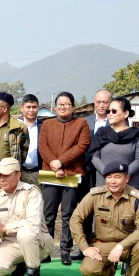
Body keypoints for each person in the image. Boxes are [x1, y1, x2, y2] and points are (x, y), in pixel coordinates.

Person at [70, 161, 139, 276]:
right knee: (87, 270)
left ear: (126, 179)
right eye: (109, 177)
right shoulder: (96, 195)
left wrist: (121, 246)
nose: (112, 181)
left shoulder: (138, 199)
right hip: (103, 244)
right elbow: (75, 219)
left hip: (129, 245)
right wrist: (84, 247)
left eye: (117, 177)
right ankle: (107, 274)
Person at [0, 158, 54, 276]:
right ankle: (20, 267)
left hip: (38, 241)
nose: (1, 179)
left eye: (6, 175)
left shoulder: (31, 192)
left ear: (18, 175)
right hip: (11, 243)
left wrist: (4, 227)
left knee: (25, 233)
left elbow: (32, 223)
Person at [38, 91, 91, 265]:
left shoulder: (81, 123)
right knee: (48, 214)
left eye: (66, 104)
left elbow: (82, 146)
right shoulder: (47, 124)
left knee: (69, 213)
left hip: (72, 173)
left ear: (73, 107)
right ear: (55, 106)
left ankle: (65, 250)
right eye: (59, 104)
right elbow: (42, 146)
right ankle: (45, 250)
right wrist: (54, 164)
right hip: (50, 172)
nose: (62, 107)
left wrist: (61, 162)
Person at [89, 97, 139, 191]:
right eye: (108, 111)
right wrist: (107, 174)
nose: (109, 114)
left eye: (114, 111)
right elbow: (94, 156)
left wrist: (122, 176)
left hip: (128, 185)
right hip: (103, 184)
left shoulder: (137, 135)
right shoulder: (102, 133)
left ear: (126, 113)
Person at [20, 94, 44, 185]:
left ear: (38, 108)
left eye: (34, 107)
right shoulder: (16, 126)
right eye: (28, 107)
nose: (31, 110)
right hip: (20, 172)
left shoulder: (44, 126)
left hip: (38, 172)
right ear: (22, 108)